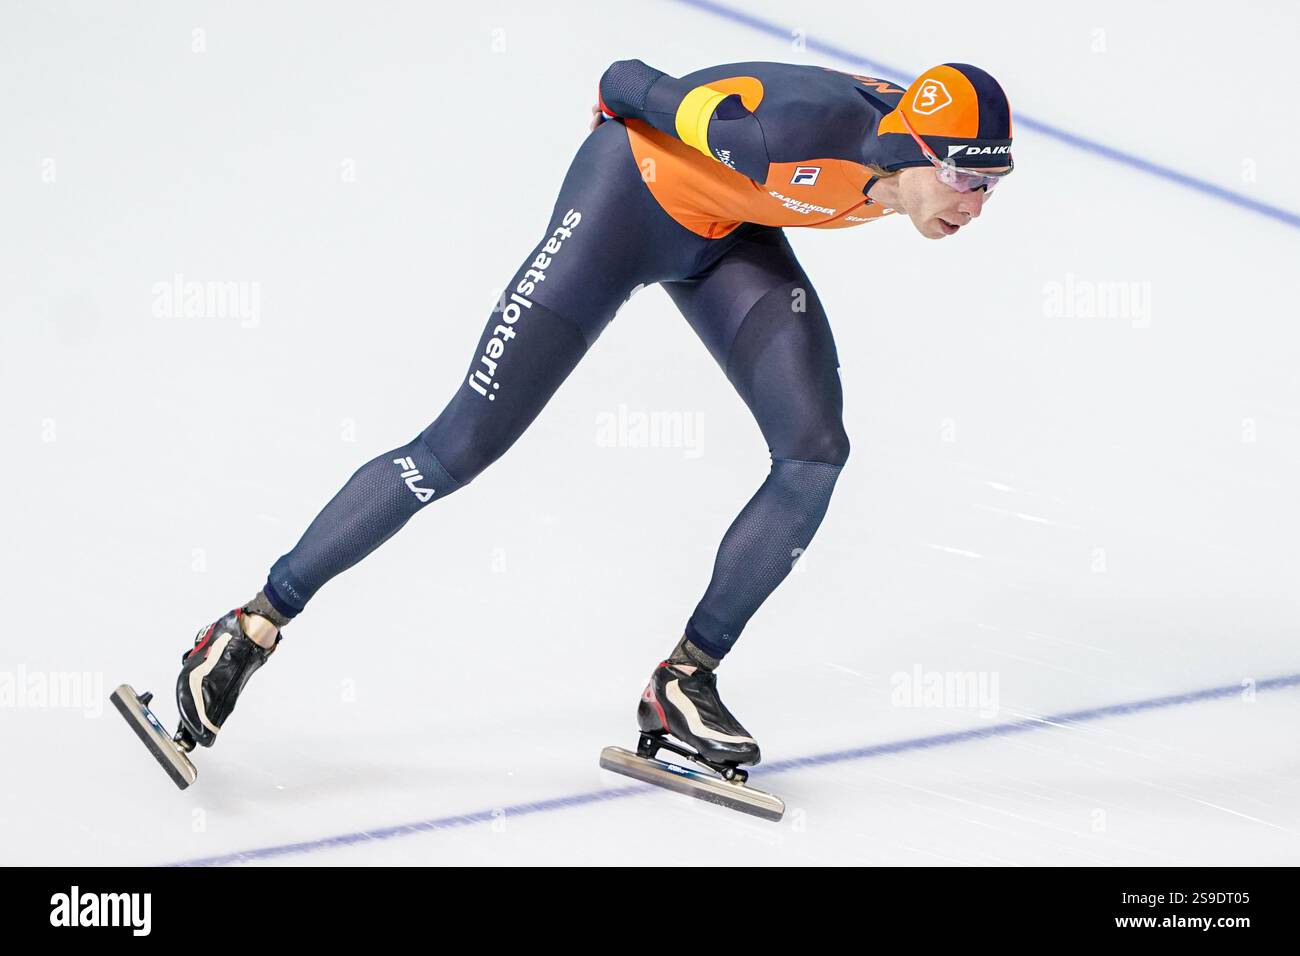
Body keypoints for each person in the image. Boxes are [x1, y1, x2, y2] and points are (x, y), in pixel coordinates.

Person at [172, 59, 1014, 777]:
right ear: (915, 152)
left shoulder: (902, 163)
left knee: (813, 451)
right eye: (968, 179)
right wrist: (656, 115)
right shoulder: (790, 132)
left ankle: (684, 681)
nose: (979, 204)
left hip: (725, 232)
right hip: (624, 205)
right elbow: (623, 79)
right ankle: (247, 628)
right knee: (457, 448)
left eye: (994, 184)